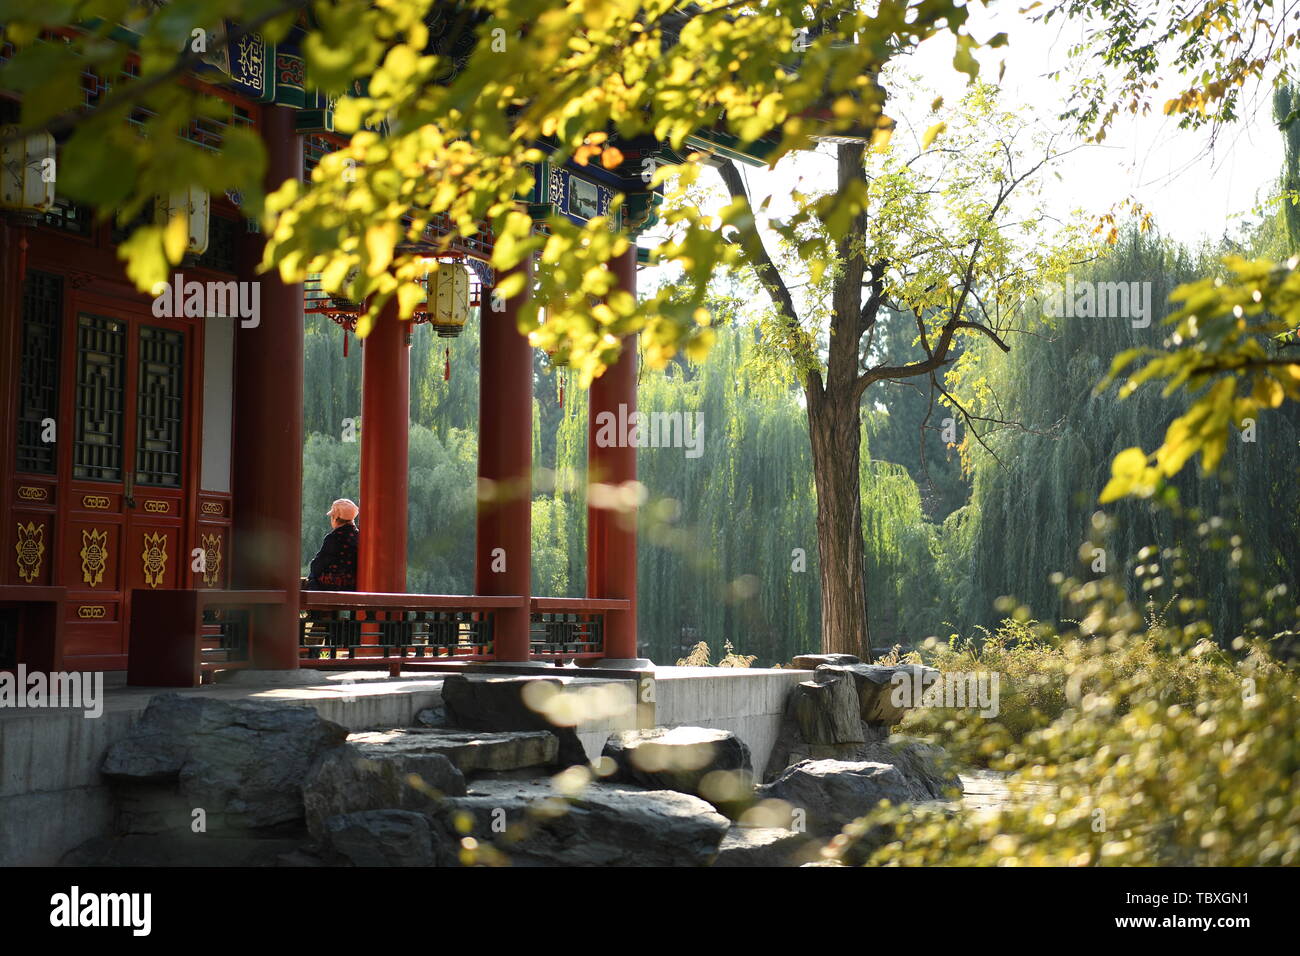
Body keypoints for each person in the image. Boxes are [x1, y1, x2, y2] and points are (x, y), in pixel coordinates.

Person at [305, 498, 359, 591]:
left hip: (332, 588)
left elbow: (318, 565)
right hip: (353, 586)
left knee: (313, 579)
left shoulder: (333, 538)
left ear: (335, 518)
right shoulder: (359, 536)